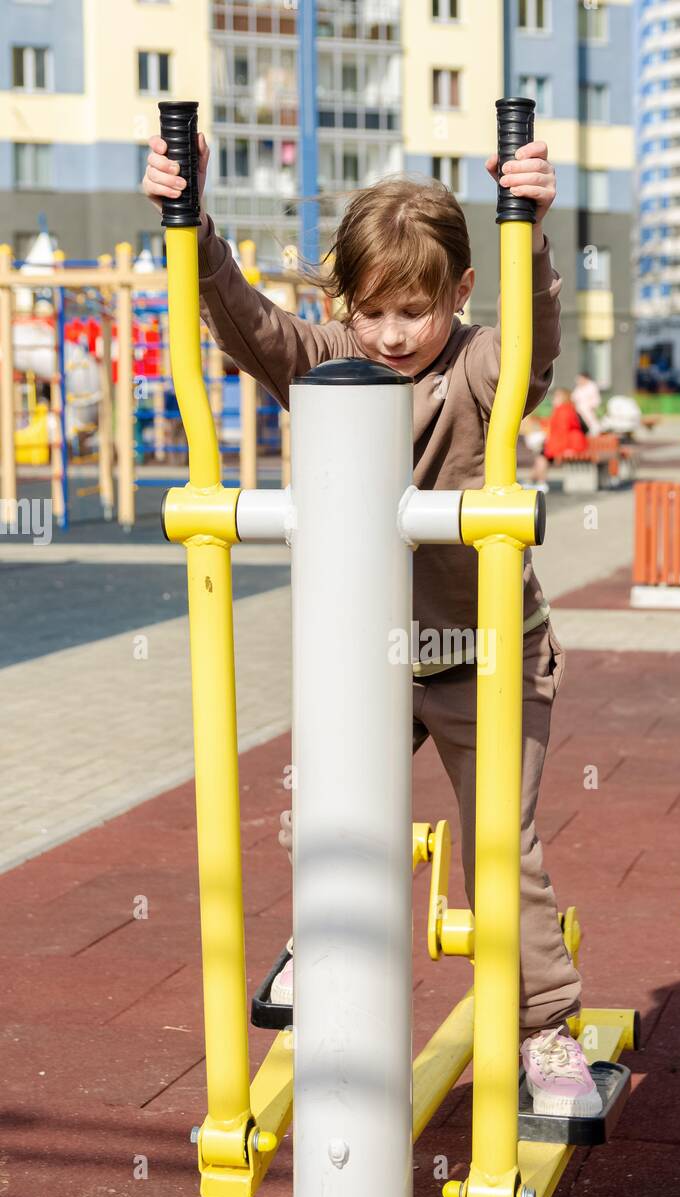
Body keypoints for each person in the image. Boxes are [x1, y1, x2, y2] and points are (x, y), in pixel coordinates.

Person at [142, 127, 601, 1119]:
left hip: (486, 656)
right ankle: (320, 937)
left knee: (498, 851)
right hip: (370, 660)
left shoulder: (481, 364)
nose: (393, 337)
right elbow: (243, 324)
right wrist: (194, 224)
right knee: (335, 821)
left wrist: (534, 232)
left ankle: (546, 1030)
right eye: (375, 311)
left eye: (416, 311)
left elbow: (536, 346)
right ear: (343, 304)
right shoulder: (324, 360)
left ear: (461, 294)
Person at [572, 370, 602, 436]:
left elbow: (596, 399)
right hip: (579, 406)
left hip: (589, 406)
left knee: (585, 410)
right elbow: (574, 397)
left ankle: (595, 428)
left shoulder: (592, 386)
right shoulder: (578, 388)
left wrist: (591, 405)